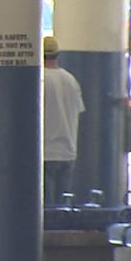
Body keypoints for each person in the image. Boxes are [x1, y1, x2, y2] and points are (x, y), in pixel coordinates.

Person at [43, 35, 84, 205]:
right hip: (67, 152)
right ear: (58, 54)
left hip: (44, 153)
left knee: (44, 209)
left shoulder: (39, 79)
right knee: (62, 208)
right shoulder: (70, 80)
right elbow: (79, 110)